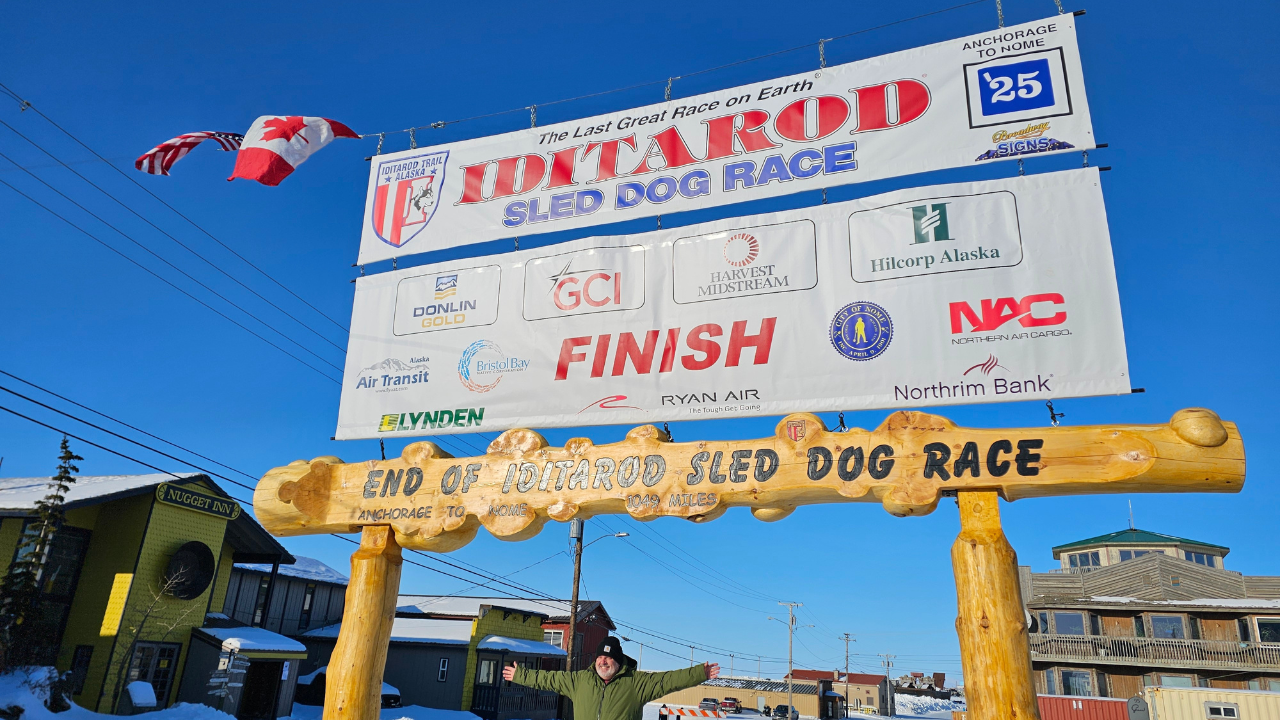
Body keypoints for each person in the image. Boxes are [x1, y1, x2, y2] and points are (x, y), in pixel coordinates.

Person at [502, 636, 720, 720]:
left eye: (608, 657)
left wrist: (699, 673)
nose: (603, 661)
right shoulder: (580, 681)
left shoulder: (636, 683)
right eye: (600, 657)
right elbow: (549, 679)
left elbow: (668, 681)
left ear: (618, 660)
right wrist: (521, 674)